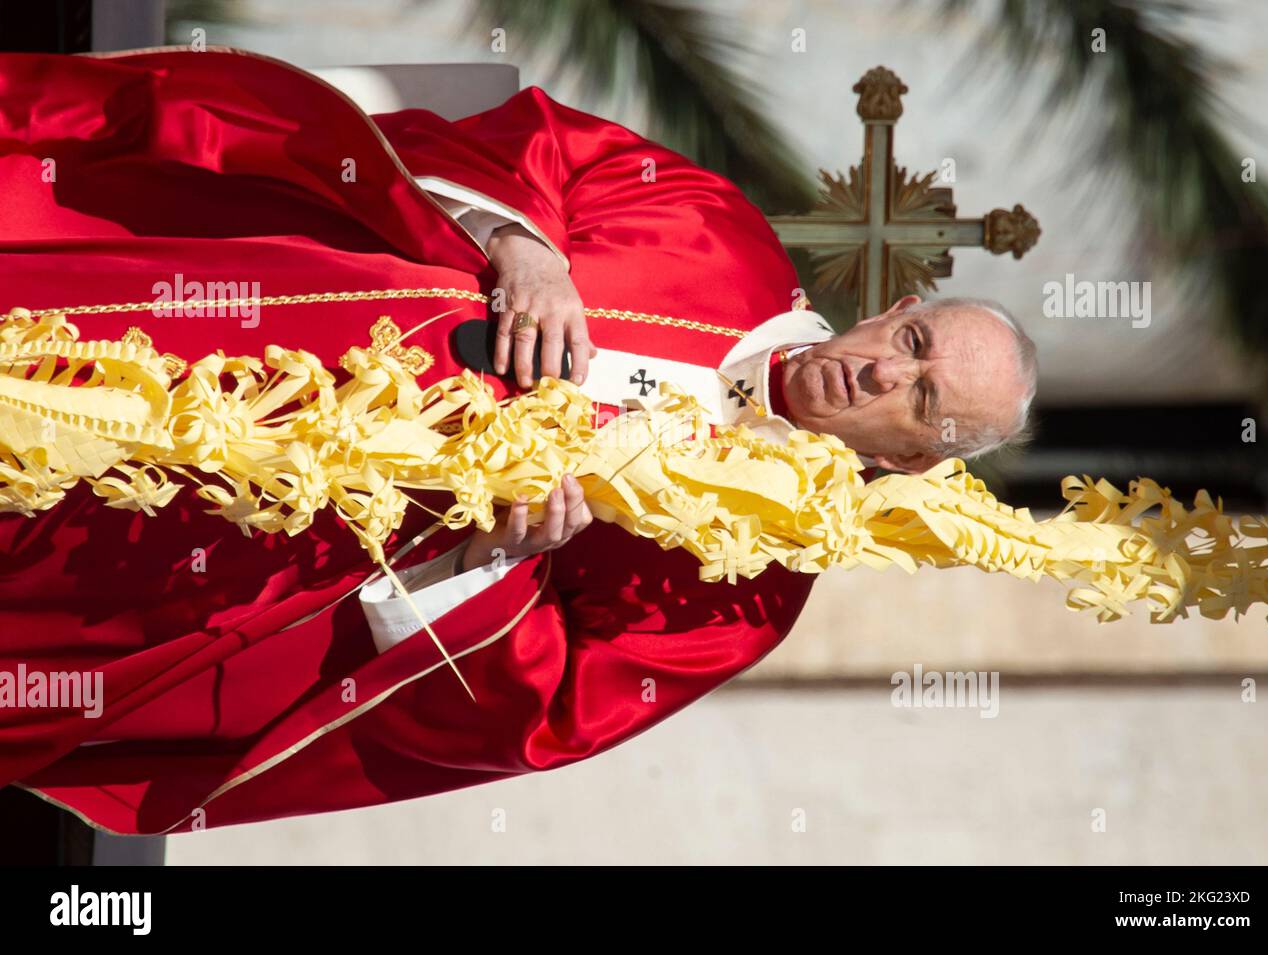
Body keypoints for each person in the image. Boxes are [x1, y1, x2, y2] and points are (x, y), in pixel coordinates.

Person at [0, 47, 1032, 833]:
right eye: (912, 341)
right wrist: (521, 240)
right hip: (228, 301)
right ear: (894, 308)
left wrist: (496, 563)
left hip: (240, 545)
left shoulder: (744, 593)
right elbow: (539, 144)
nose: (885, 373)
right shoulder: (715, 233)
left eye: (922, 398)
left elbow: (523, 718)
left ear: (909, 460)